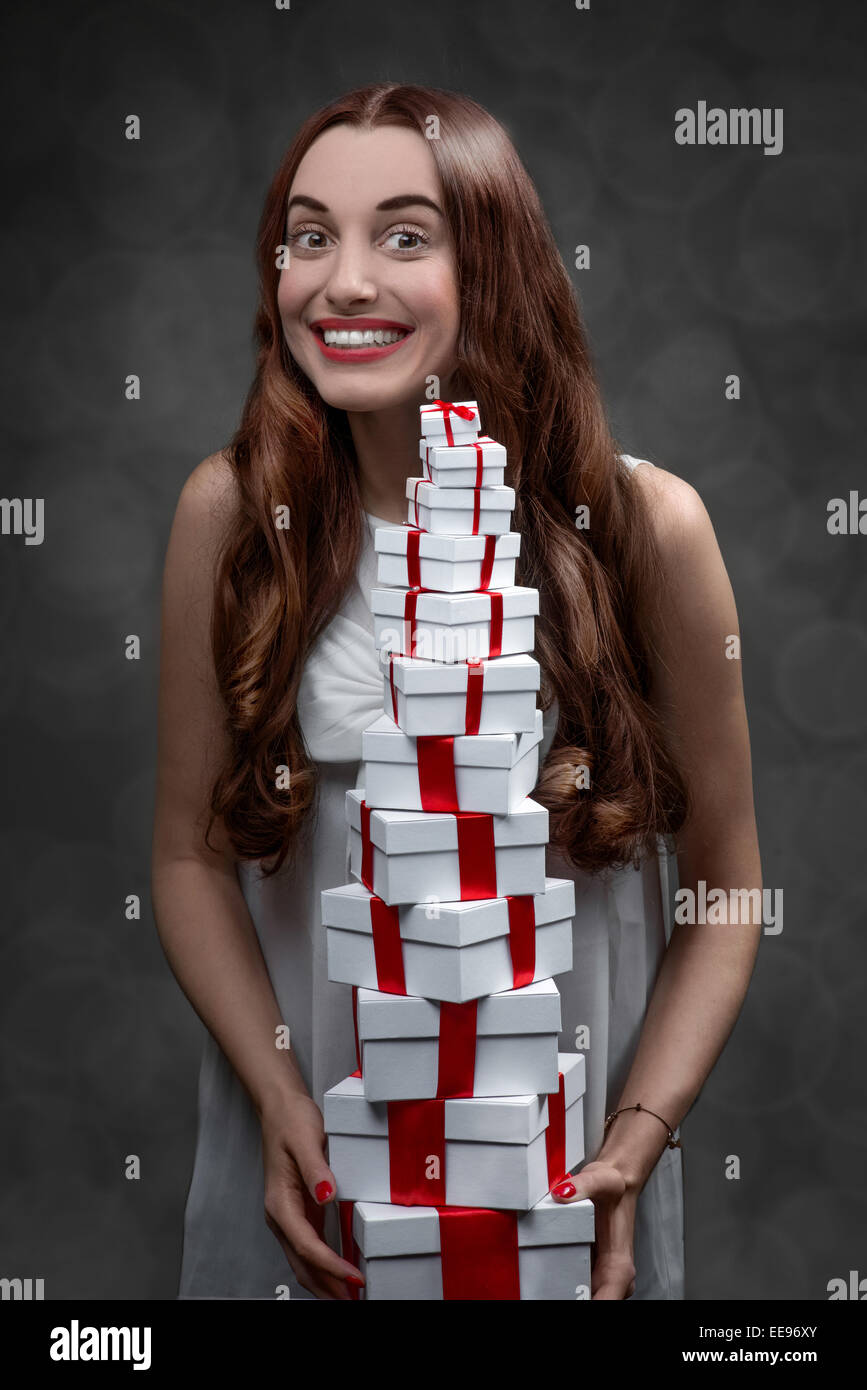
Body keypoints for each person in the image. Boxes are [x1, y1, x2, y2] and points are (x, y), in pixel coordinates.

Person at [151, 82, 763, 1302]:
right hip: (317, 1161)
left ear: (495, 266)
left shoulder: (647, 528)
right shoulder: (231, 514)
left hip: (562, 1173)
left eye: (405, 236)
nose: (344, 283)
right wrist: (279, 1102)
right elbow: (185, 856)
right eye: (311, 235)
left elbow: (733, 887)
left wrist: (636, 1142)